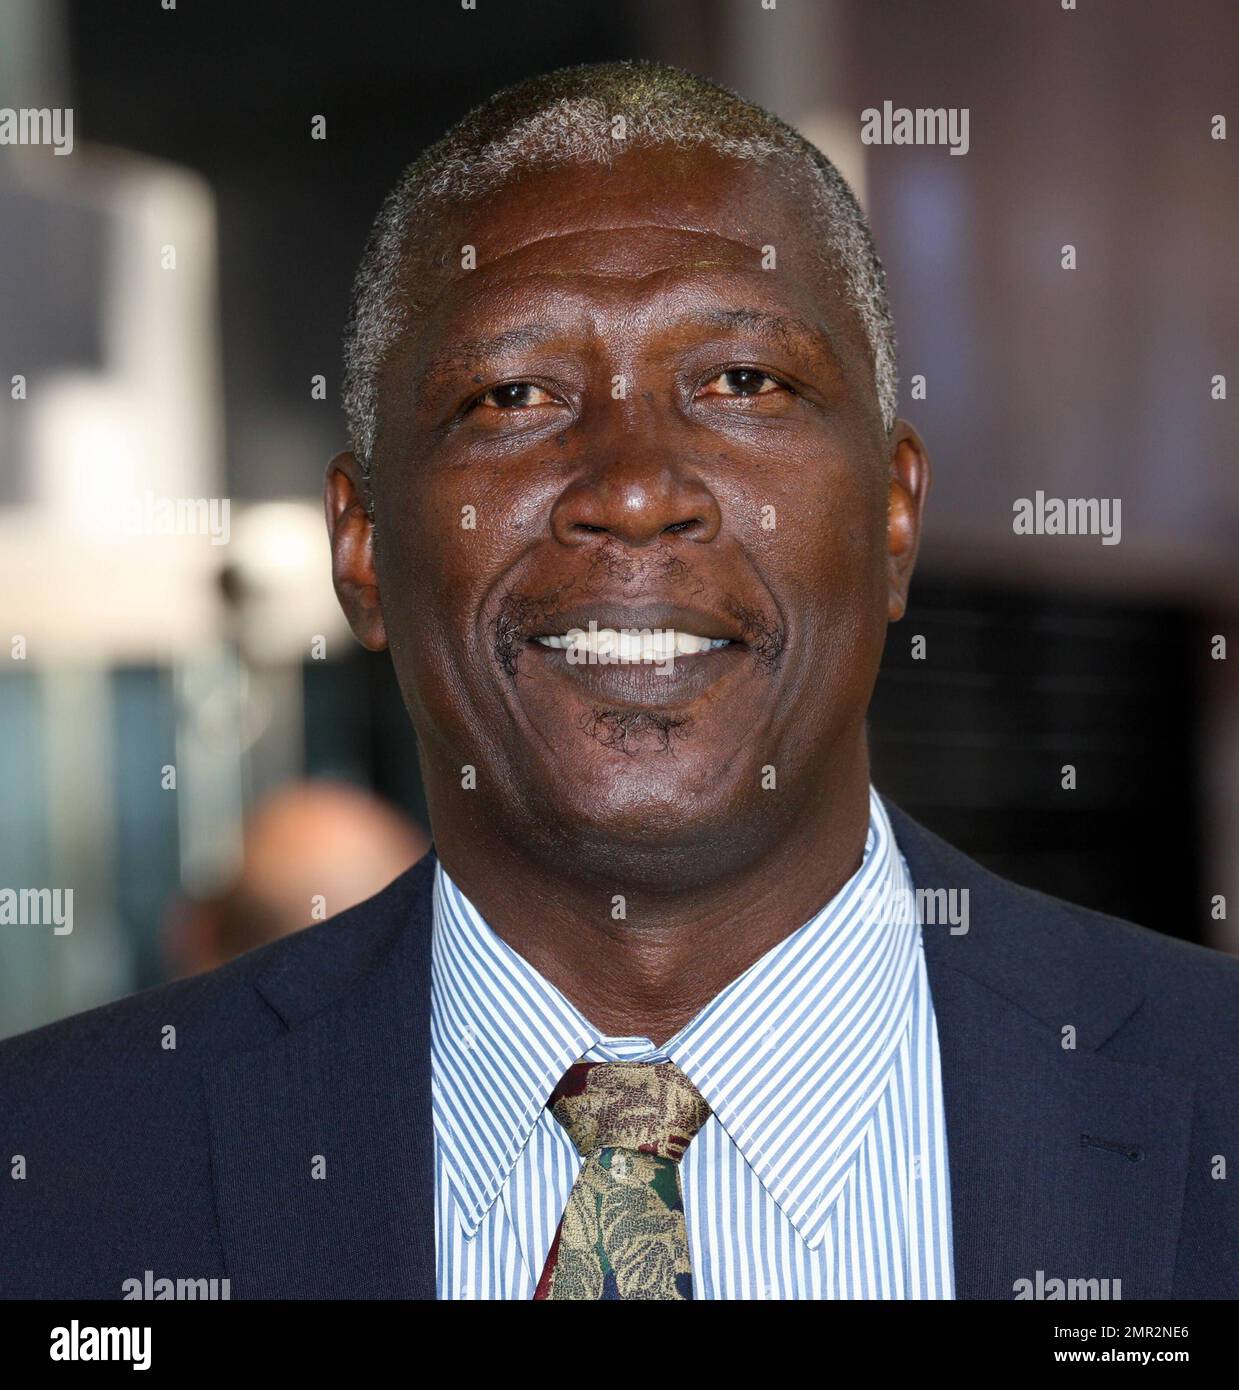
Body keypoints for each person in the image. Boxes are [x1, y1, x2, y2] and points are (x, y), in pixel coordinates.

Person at [1, 61, 1235, 1301]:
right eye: (515, 395)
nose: (636, 489)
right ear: (363, 549)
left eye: (743, 383)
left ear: (896, 520)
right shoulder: (51, 1177)